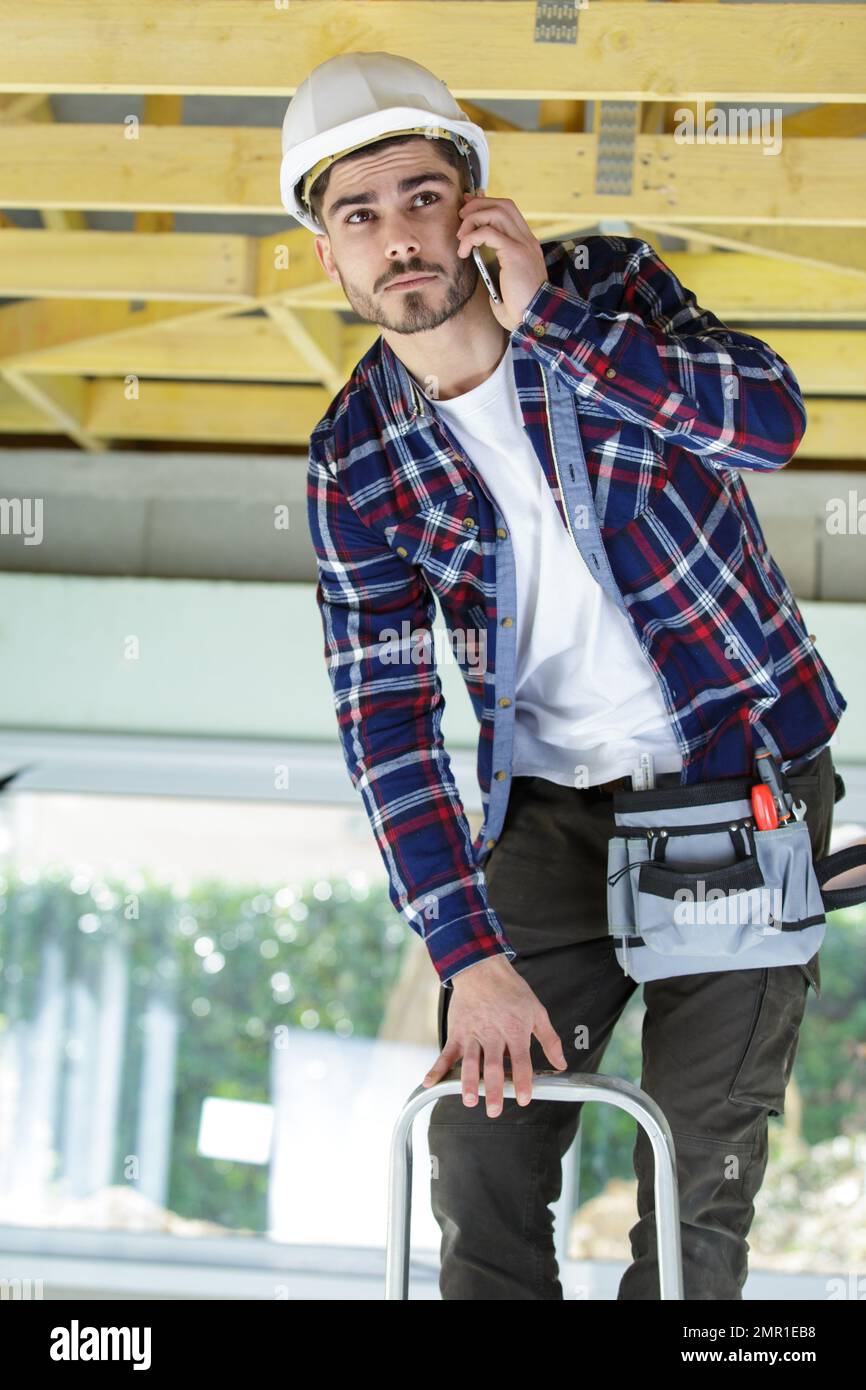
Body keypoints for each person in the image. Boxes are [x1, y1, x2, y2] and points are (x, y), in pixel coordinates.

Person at [282, 51, 848, 1298]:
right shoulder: (354, 458)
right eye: (356, 217)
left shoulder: (604, 286)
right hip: (544, 817)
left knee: (694, 1168)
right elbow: (385, 721)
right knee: (475, 1149)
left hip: (734, 774)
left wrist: (561, 326)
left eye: (418, 196)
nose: (396, 239)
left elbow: (769, 422)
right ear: (328, 256)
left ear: (474, 203)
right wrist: (461, 952)